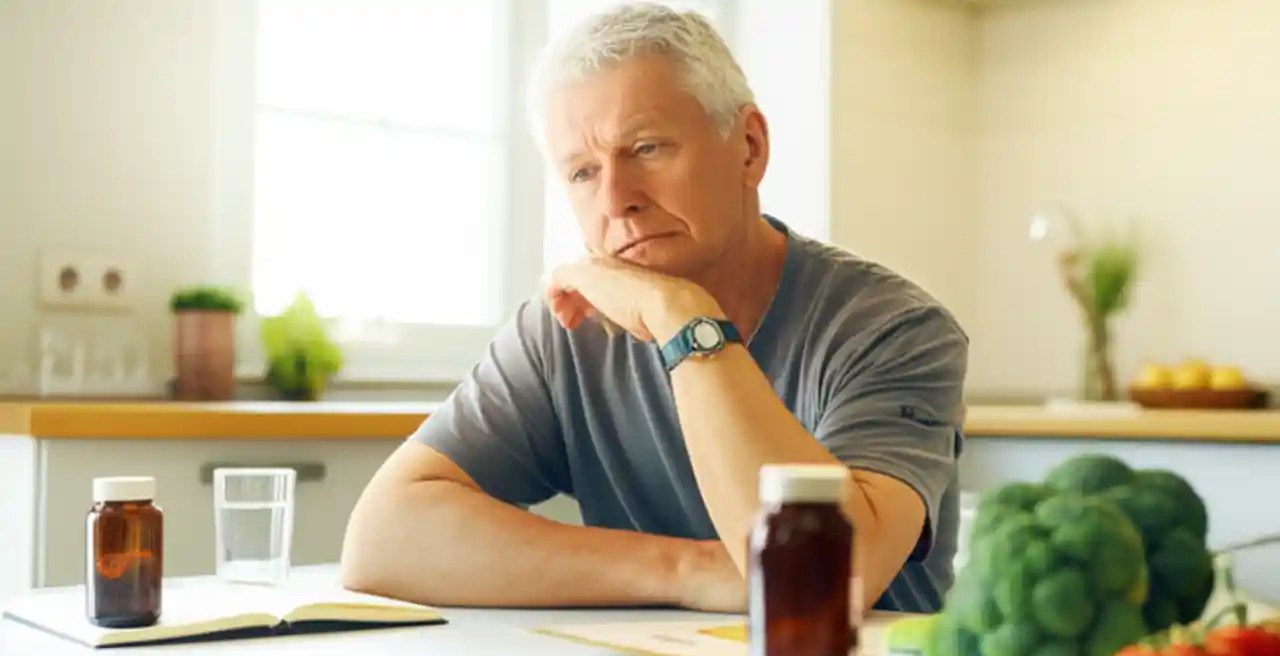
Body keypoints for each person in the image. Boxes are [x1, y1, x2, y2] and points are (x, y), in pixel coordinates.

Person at [340, 2, 968, 614]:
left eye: (646, 148)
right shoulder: (568, 331)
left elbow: (823, 581)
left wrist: (685, 321)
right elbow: (382, 540)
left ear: (749, 147)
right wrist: (686, 570)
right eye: (583, 173)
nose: (617, 200)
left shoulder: (891, 328)